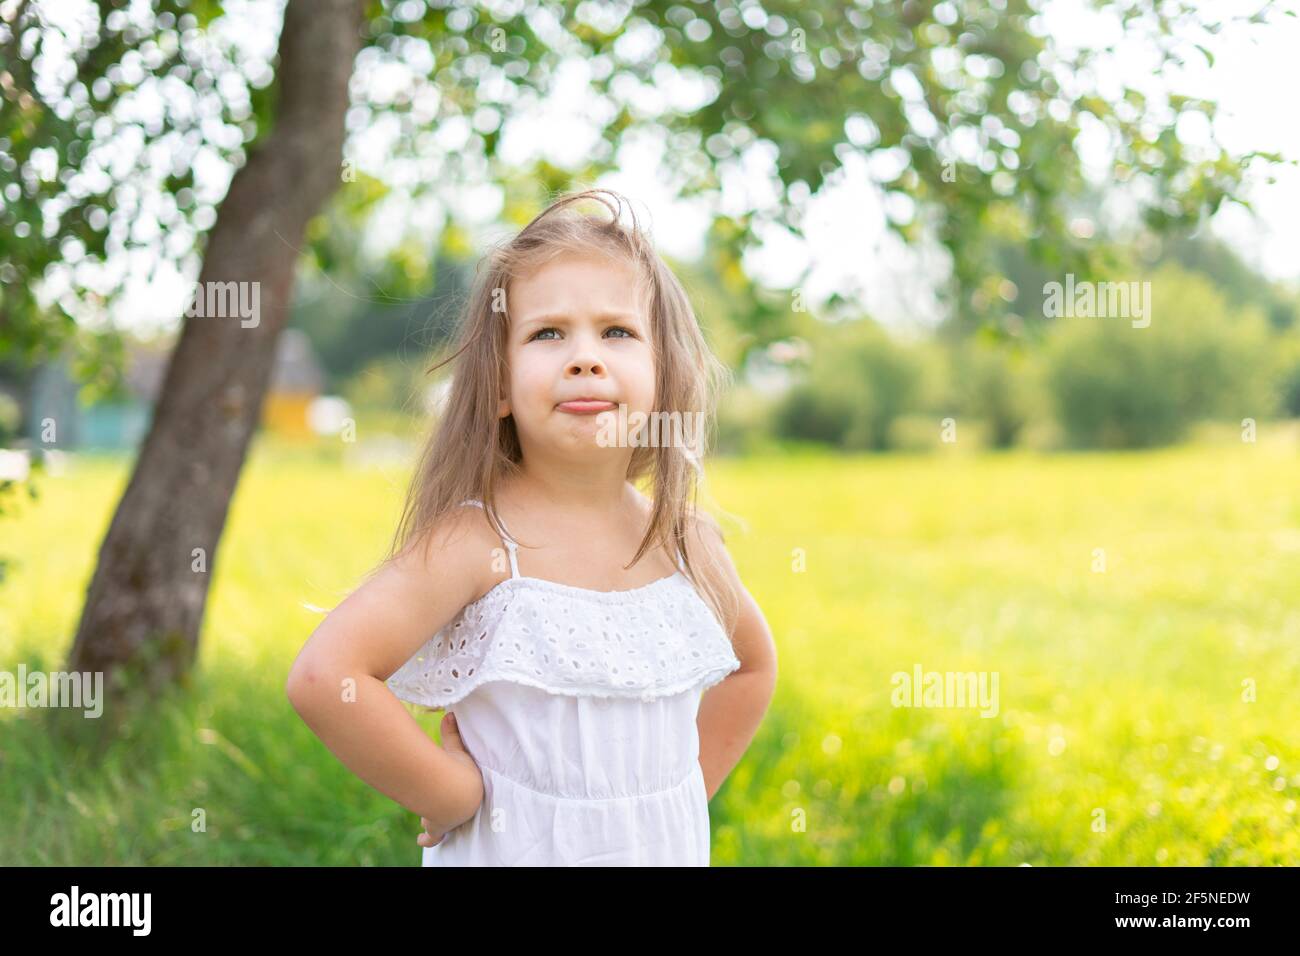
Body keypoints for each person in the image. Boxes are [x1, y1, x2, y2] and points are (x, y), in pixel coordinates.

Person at [286, 188, 777, 865]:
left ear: (663, 375)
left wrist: (682, 793)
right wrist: (449, 794)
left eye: (618, 332)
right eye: (548, 333)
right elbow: (327, 677)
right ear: (497, 385)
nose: (585, 357)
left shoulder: (685, 542)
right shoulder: (481, 544)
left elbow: (751, 667)